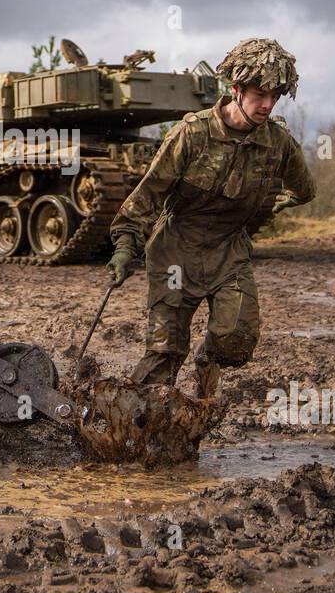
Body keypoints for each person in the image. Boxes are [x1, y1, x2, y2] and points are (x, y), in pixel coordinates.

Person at [106, 38, 315, 399]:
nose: (267, 104)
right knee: (164, 354)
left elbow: (305, 187)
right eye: (259, 94)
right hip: (175, 250)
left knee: (235, 339)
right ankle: (134, 421)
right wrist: (125, 245)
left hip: (229, 251)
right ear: (235, 90)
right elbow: (149, 194)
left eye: (275, 96)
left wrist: (284, 200)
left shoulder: (278, 142)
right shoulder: (192, 134)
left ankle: (203, 389)